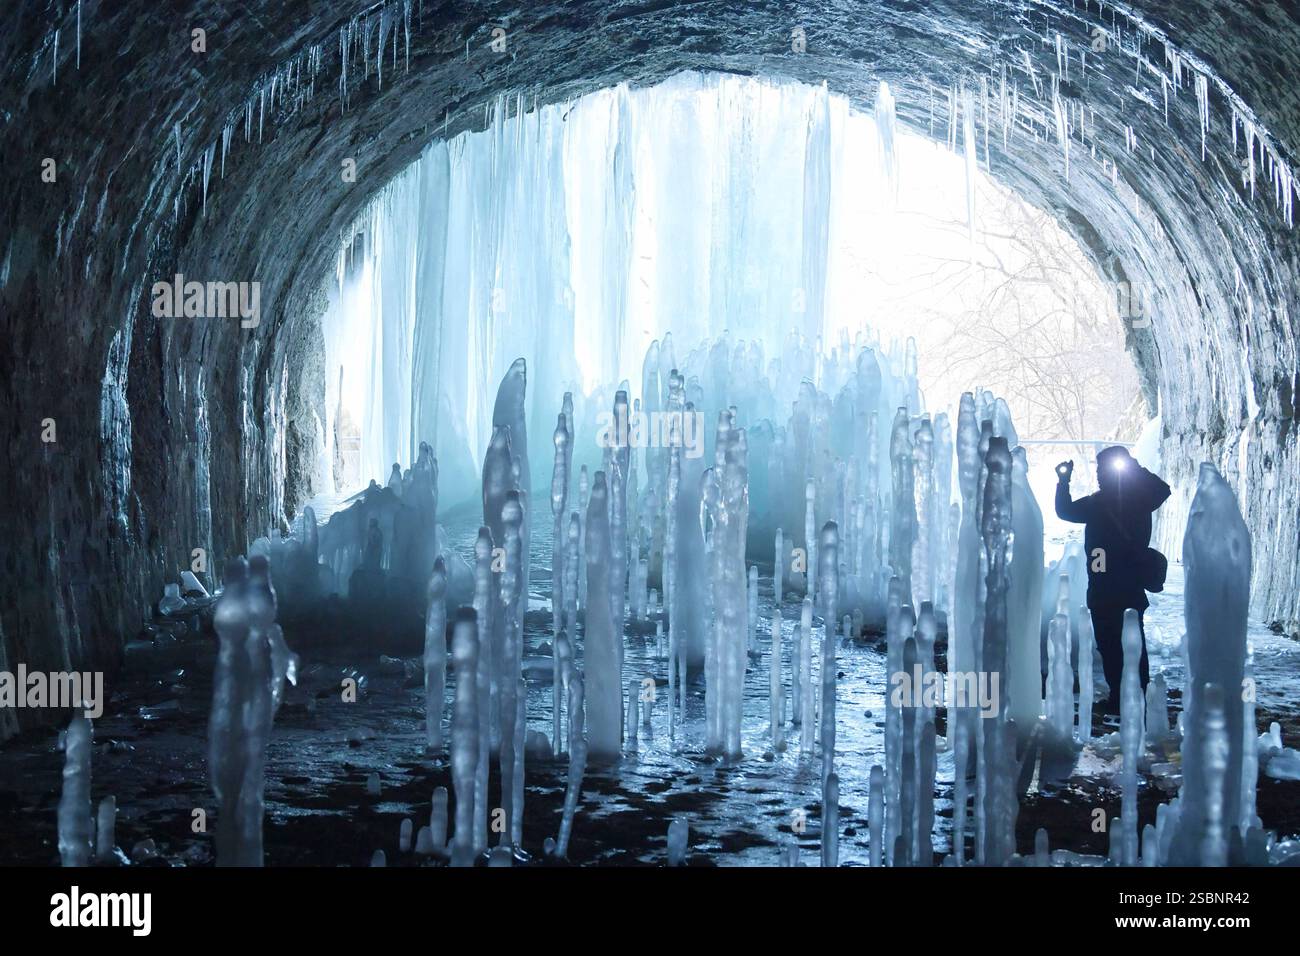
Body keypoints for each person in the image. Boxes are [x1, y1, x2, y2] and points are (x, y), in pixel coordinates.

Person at [1055, 446, 1171, 715]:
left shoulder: (1136, 499)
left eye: (1102, 468)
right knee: (1114, 645)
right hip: (1109, 587)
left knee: (1124, 644)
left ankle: (1131, 697)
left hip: (1116, 587)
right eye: (1098, 469)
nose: (1098, 474)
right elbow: (1065, 511)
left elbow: (1162, 489)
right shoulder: (1107, 502)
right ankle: (1123, 697)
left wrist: (1133, 465)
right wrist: (1063, 481)